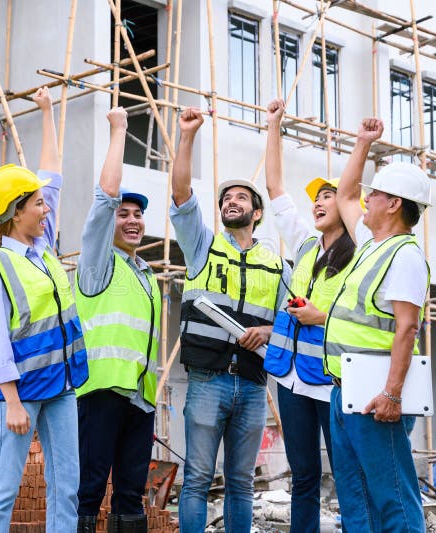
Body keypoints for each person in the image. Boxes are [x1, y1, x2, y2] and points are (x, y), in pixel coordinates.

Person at [170, 107, 289, 533]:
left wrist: (270, 331)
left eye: (240, 197)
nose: (230, 201)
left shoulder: (275, 263)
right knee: (198, 480)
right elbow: (182, 195)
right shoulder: (203, 246)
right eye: (225, 198)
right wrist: (187, 137)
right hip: (207, 380)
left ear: (256, 212)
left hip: (255, 386)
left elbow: (294, 322)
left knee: (241, 483)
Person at [0, 87, 89, 532]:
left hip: (61, 385)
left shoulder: (43, 248)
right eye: (37, 203)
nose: (46, 209)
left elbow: (52, 173)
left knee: (66, 484)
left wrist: (46, 112)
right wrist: (12, 402)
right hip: (19, 394)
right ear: (15, 212)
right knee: (4, 485)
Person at [323, 118, 430, 532]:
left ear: (394, 204)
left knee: (392, 498)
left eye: (376, 195)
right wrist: (362, 142)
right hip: (346, 389)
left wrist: (392, 393)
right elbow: (346, 192)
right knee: (355, 500)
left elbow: (407, 329)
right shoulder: (371, 246)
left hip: (376, 396)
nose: (364, 201)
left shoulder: (404, 256)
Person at [262, 98, 358, 533]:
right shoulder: (304, 246)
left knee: (348, 477)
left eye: (329, 196)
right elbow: (276, 188)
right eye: (316, 198)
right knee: (303, 478)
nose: (318, 203)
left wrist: (322, 318)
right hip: (291, 380)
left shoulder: (362, 257)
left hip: (333, 382)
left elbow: (363, 317)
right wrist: (274, 126)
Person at [74, 107, 159, 533]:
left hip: (140, 400)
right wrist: (119, 130)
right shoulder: (97, 264)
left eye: (137, 215)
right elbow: (105, 197)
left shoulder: (146, 275)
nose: (131, 220)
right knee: (88, 489)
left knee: (131, 492)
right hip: (100, 392)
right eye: (124, 214)